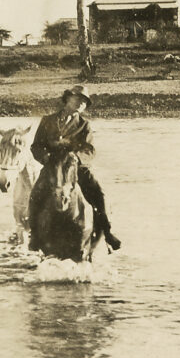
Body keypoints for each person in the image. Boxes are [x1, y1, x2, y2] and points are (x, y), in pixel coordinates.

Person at [30, 85, 122, 250]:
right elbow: (36, 146)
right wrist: (46, 157)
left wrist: (76, 158)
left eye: (85, 101)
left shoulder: (84, 124)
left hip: (77, 168)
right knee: (35, 194)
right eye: (78, 98)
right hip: (52, 167)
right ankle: (35, 236)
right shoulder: (47, 120)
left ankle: (107, 232)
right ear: (67, 98)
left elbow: (90, 150)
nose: (82, 103)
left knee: (99, 193)